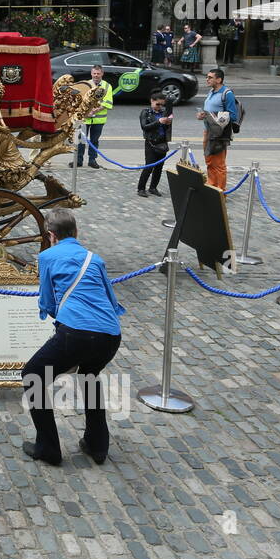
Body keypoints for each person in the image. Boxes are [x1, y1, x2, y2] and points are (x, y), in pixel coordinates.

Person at [21, 208, 125, 466]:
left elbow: (46, 301)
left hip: (77, 332)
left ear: (51, 235)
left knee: (33, 375)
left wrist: (58, 318)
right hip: (111, 335)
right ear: (76, 232)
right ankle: (97, 445)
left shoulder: (47, 256)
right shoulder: (95, 258)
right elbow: (112, 300)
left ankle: (48, 448)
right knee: (89, 376)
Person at [197, 67, 237, 191]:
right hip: (208, 131)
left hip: (219, 134)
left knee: (219, 164)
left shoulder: (227, 94)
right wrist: (203, 115)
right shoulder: (211, 91)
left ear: (219, 79)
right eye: (207, 77)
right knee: (209, 161)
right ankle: (211, 185)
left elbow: (232, 115)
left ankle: (220, 191)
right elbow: (210, 111)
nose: (207, 79)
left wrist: (210, 115)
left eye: (210, 77)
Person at [75, 64, 113, 169]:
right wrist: (88, 111)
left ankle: (92, 160)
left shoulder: (107, 86)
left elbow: (108, 102)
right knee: (81, 140)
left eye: (98, 73)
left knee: (94, 140)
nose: (96, 75)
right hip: (85, 119)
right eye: (94, 73)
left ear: (102, 74)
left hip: (99, 119)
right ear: (91, 73)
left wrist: (95, 110)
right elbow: (80, 100)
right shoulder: (86, 85)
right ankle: (78, 160)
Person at [137, 90, 173, 197]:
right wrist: (159, 122)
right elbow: (144, 127)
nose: (159, 106)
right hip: (151, 143)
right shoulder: (146, 112)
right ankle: (141, 188)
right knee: (149, 166)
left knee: (159, 167)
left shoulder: (163, 113)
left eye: (162, 105)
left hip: (162, 142)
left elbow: (166, 128)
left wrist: (167, 123)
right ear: (152, 101)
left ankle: (153, 187)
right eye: (157, 104)